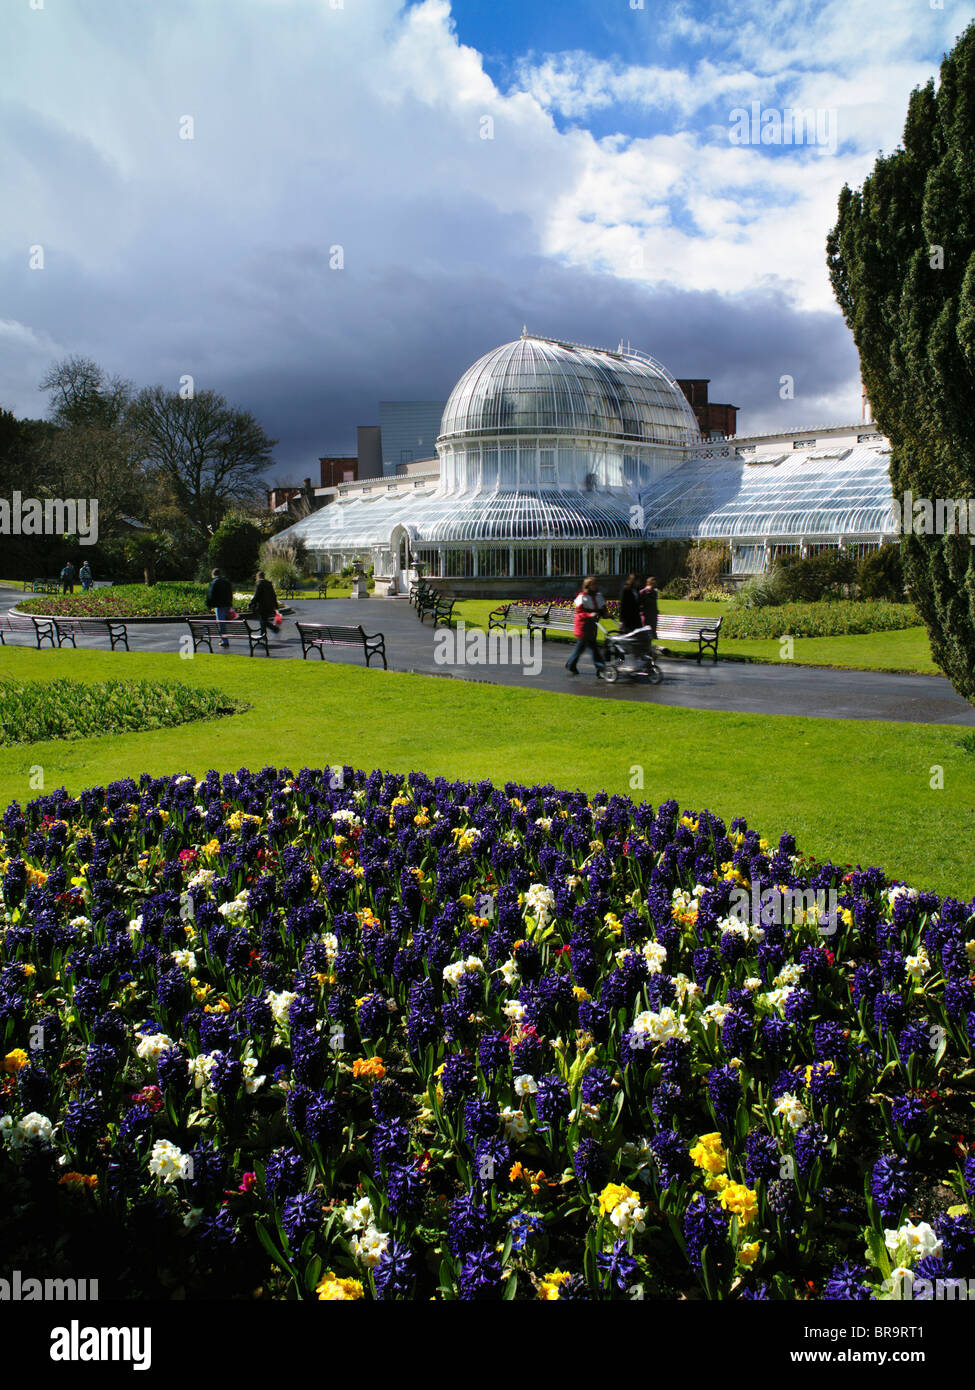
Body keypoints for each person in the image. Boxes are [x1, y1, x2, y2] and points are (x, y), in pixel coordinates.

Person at [566, 576, 606, 677]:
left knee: (580, 648)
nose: (595, 586)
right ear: (588, 586)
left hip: (592, 625)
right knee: (592, 647)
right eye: (593, 584)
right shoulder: (582, 597)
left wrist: (605, 614)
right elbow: (579, 613)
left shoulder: (598, 596)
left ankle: (571, 664)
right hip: (583, 625)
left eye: (596, 584)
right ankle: (601, 667)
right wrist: (589, 615)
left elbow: (602, 608)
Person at [206, 566, 234, 648]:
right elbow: (230, 593)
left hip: (219, 606)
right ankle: (223, 638)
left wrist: (209, 605)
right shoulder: (226, 582)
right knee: (223, 623)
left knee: (221, 624)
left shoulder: (214, 582)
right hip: (227, 605)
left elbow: (210, 595)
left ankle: (224, 640)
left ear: (213, 574)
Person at [249, 570, 280, 642]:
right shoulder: (269, 584)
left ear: (258, 577)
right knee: (263, 620)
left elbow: (257, 596)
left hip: (262, 606)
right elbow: (273, 595)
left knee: (263, 621)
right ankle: (264, 634)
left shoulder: (259, 584)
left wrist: (251, 603)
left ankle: (267, 632)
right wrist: (275, 605)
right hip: (269, 606)